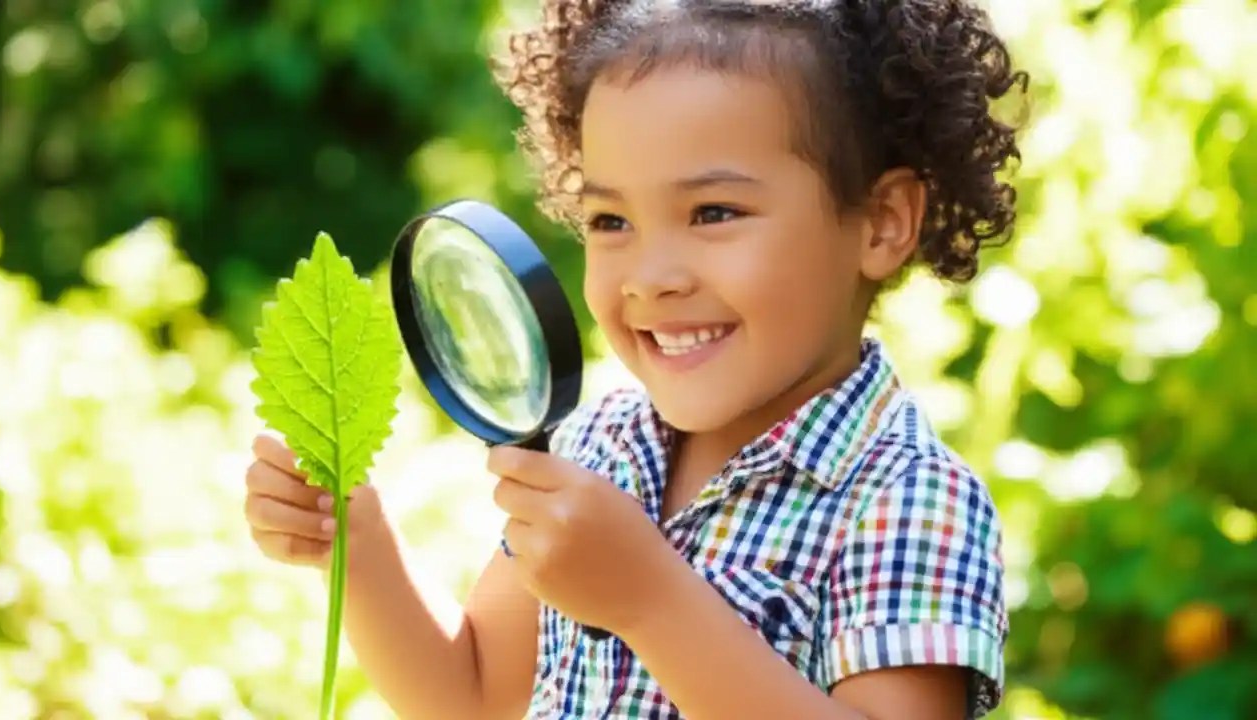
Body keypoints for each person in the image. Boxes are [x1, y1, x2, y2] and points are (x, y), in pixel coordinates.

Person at [242, 0, 1028, 717]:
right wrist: (359, 540)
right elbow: (473, 698)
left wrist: (650, 600)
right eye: (611, 220)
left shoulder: (907, 501)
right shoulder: (600, 448)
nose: (651, 278)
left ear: (881, 222)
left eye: (713, 212)